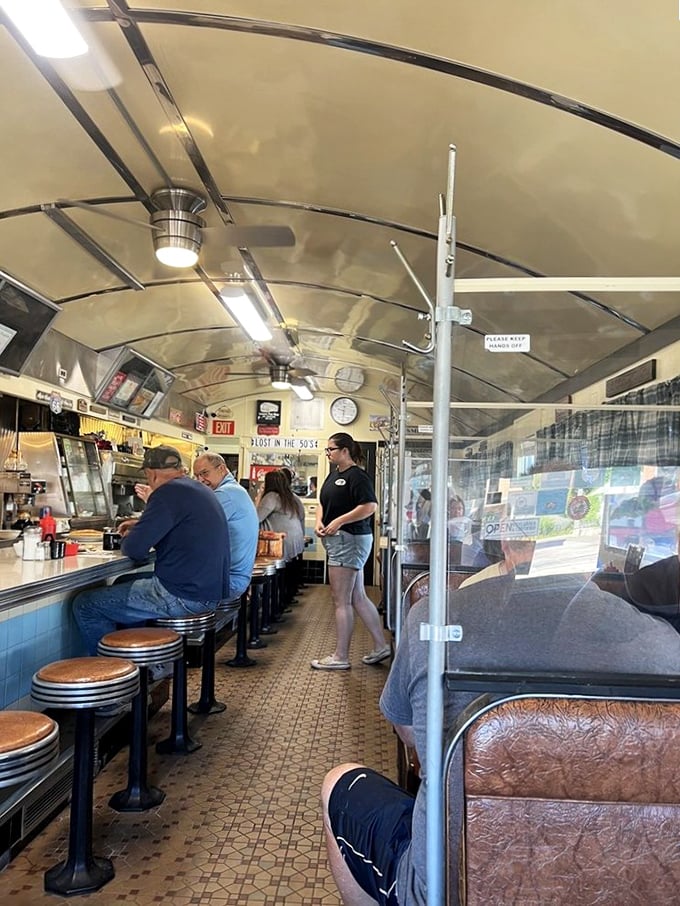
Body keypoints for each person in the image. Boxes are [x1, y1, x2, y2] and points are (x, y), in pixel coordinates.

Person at [321, 570, 680, 905]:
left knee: (337, 783)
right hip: (626, 884)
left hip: (449, 886)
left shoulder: (435, 616)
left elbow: (410, 734)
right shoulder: (665, 646)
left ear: (505, 543)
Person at [72, 445, 231, 656]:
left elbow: (135, 550)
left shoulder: (166, 493)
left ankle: (113, 671)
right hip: (210, 590)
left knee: (85, 605)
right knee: (122, 583)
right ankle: (140, 662)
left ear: (151, 473)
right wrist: (141, 526)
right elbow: (178, 526)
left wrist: (131, 536)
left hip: (184, 594)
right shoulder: (196, 488)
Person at [311, 432, 389, 670]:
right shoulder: (333, 474)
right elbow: (322, 502)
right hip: (338, 540)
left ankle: (341, 656)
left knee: (341, 601)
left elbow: (369, 506)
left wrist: (340, 522)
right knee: (357, 596)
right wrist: (320, 521)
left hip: (350, 540)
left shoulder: (358, 476)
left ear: (345, 450)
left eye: (331, 449)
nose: (328, 454)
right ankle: (380, 646)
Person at [193, 451, 259, 601]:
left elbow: (192, 527)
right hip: (234, 578)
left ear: (221, 469)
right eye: (196, 476)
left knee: (130, 594)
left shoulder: (226, 494)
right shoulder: (234, 491)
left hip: (227, 581)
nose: (200, 480)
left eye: (204, 473)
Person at [256, 469, 305, 562]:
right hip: (297, 545)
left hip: (281, 545)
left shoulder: (271, 497)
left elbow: (255, 518)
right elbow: (302, 519)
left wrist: (260, 494)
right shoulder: (293, 498)